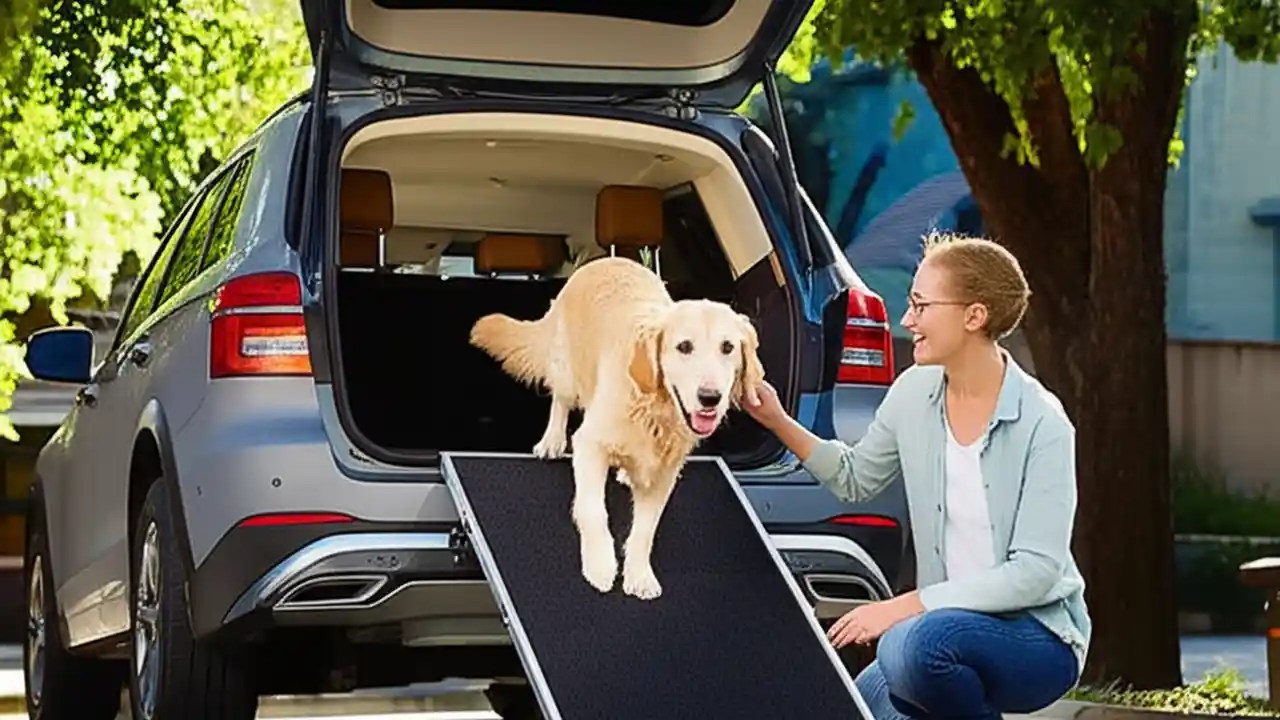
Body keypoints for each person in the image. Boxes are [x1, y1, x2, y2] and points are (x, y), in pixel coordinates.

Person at [744, 232, 1091, 720]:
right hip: (937, 631)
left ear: (974, 316)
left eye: (921, 305)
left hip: (1035, 638)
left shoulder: (1043, 424)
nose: (907, 320)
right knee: (853, 706)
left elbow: (1034, 575)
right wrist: (777, 420)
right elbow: (855, 478)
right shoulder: (913, 393)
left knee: (909, 648)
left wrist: (903, 606)